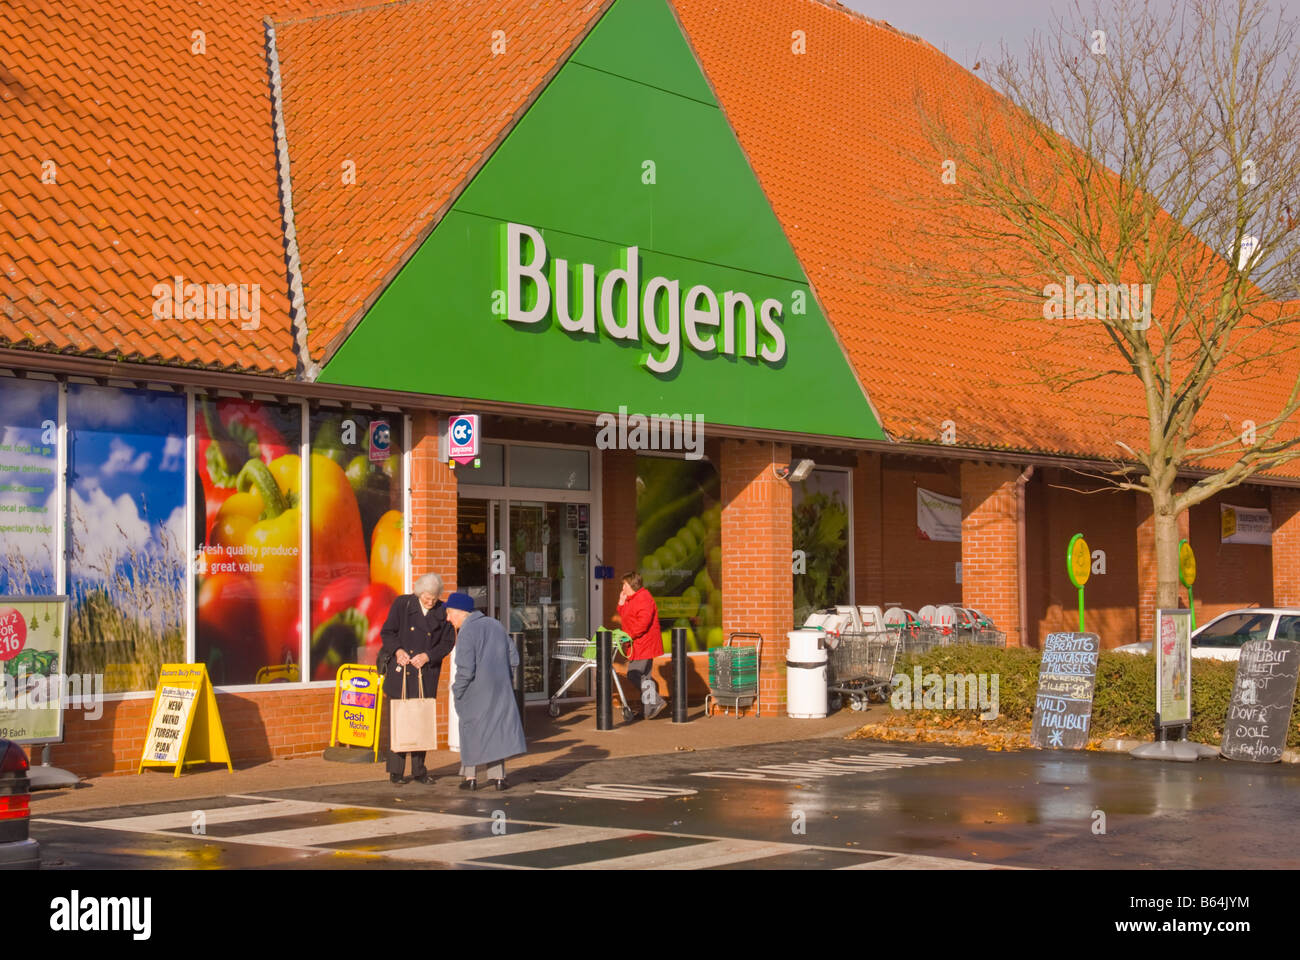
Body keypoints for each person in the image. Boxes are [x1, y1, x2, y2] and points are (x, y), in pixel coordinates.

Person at [379, 572, 455, 785]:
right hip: (401, 671)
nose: (430, 602)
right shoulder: (402, 604)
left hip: (425, 673)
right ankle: (396, 771)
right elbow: (387, 632)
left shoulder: (442, 611)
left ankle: (419, 771)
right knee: (399, 719)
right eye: (427, 598)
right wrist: (398, 651)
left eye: (434, 598)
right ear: (419, 593)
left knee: (421, 720)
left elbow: (447, 642)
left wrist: (428, 656)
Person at [445, 592, 526, 791]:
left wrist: (457, 690)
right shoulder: (496, 625)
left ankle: (470, 778)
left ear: (461, 612)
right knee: (496, 732)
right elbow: (514, 658)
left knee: (471, 732)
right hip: (500, 691)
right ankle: (499, 778)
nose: (448, 618)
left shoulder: (466, 632)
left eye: (449, 613)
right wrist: (503, 678)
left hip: (475, 692)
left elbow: (465, 670)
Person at [617, 572, 666, 719]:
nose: (623, 588)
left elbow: (642, 624)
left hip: (644, 644)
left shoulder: (644, 598)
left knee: (634, 674)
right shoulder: (631, 599)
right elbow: (626, 617)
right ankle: (648, 709)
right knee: (644, 677)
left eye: (624, 584)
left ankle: (656, 702)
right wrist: (621, 603)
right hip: (637, 644)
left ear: (632, 585)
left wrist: (628, 636)